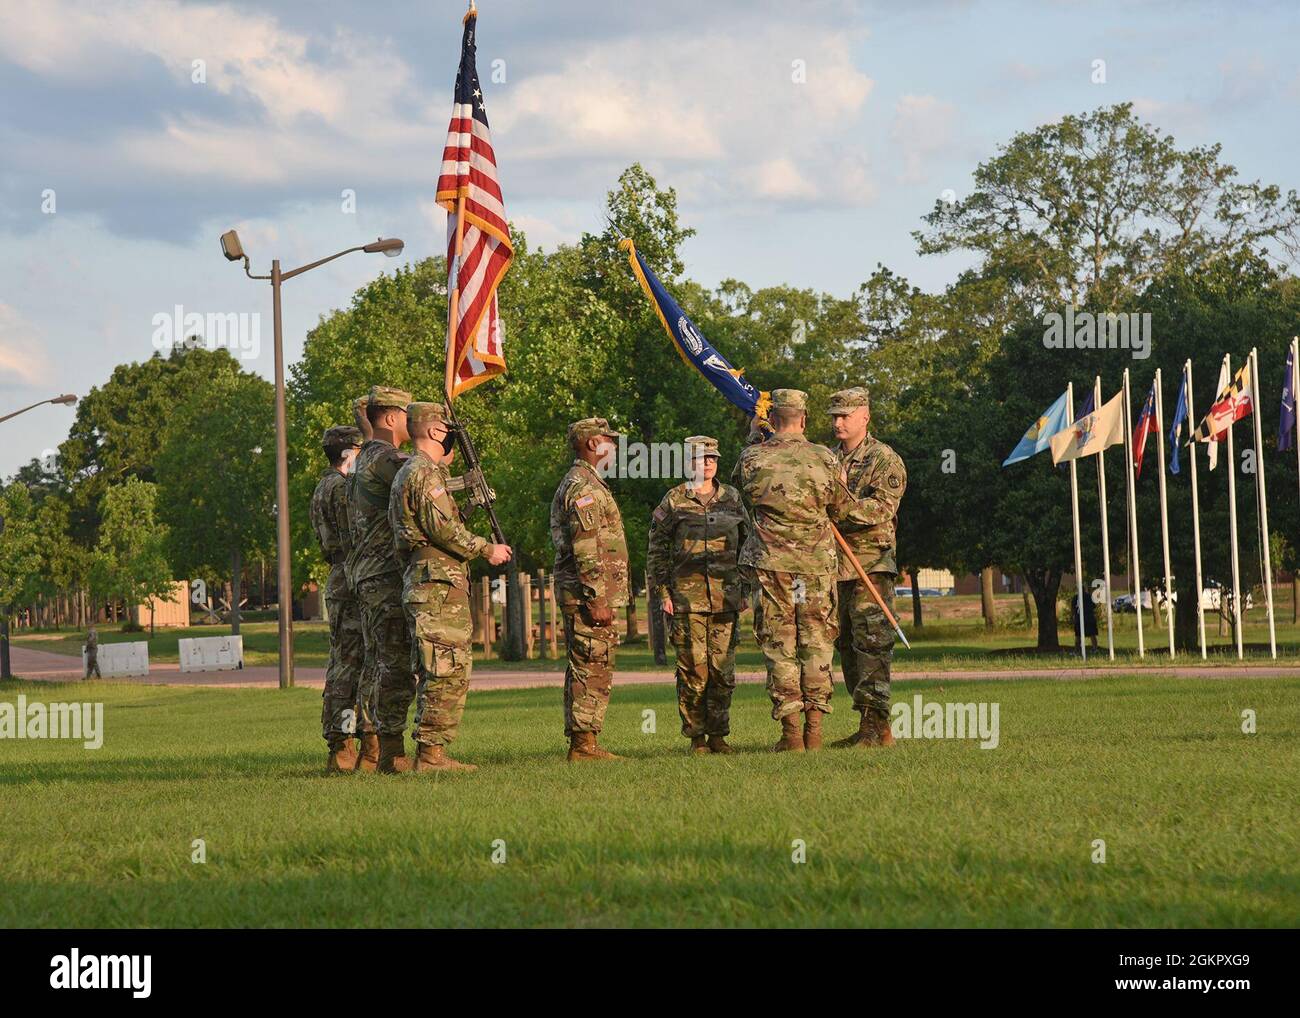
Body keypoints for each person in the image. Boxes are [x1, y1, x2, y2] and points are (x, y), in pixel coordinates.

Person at [390, 402, 512, 772]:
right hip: (436, 585)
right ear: (432, 431)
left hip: (435, 582)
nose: (450, 437)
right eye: (446, 429)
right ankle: (431, 756)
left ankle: (432, 752)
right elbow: (444, 529)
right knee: (445, 669)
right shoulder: (422, 473)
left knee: (443, 668)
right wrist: (486, 548)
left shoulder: (421, 472)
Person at [734, 389, 849, 752]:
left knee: (780, 645)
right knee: (816, 642)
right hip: (814, 566)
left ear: (772, 419)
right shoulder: (825, 459)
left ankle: (791, 733)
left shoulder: (753, 457)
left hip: (773, 566)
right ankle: (815, 729)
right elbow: (842, 508)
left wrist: (756, 433)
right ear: (804, 419)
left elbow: (743, 486)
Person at [647, 435, 749, 754]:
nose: (706, 463)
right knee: (693, 670)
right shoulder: (674, 500)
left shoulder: (732, 498)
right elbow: (656, 550)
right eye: (699, 458)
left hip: (725, 598)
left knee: (722, 670)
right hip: (686, 599)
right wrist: (664, 591)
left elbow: (749, 546)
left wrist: (744, 587)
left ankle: (719, 735)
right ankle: (697, 737)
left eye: (711, 458)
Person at [827, 387, 907, 748]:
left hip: (870, 565)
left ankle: (879, 726)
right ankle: (866, 724)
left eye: (845, 415)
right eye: (834, 416)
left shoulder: (883, 459)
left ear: (865, 416)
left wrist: (840, 504)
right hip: (835, 566)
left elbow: (880, 509)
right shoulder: (827, 459)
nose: (838, 422)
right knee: (846, 646)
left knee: (871, 645)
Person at [550, 417, 629, 762]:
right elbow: (586, 547)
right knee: (591, 664)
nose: (615, 447)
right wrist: (597, 596)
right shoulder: (584, 487)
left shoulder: (588, 481)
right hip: (587, 594)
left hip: (586, 591)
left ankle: (584, 742)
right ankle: (583, 746)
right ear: (594, 444)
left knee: (588, 663)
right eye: (610, 441)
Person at [347, 385, 415, 773]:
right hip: (385, 574)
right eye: (407, 413)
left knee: (376, 662)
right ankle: (387, 752)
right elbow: (421, 490)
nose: (413, 421)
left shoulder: (362, 458)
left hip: (368, 574)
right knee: (393, 664)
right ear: (391, 419)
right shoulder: (388, 459)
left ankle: (371, 750)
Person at [310, 424, 365, 772]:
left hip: (339, 575)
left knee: (343, 663)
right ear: (348, 453)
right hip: (350, 576)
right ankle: (342, 744)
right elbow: (358, 533)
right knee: (348, 667)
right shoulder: (341, 489)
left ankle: (342, 742)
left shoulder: (323, 486)